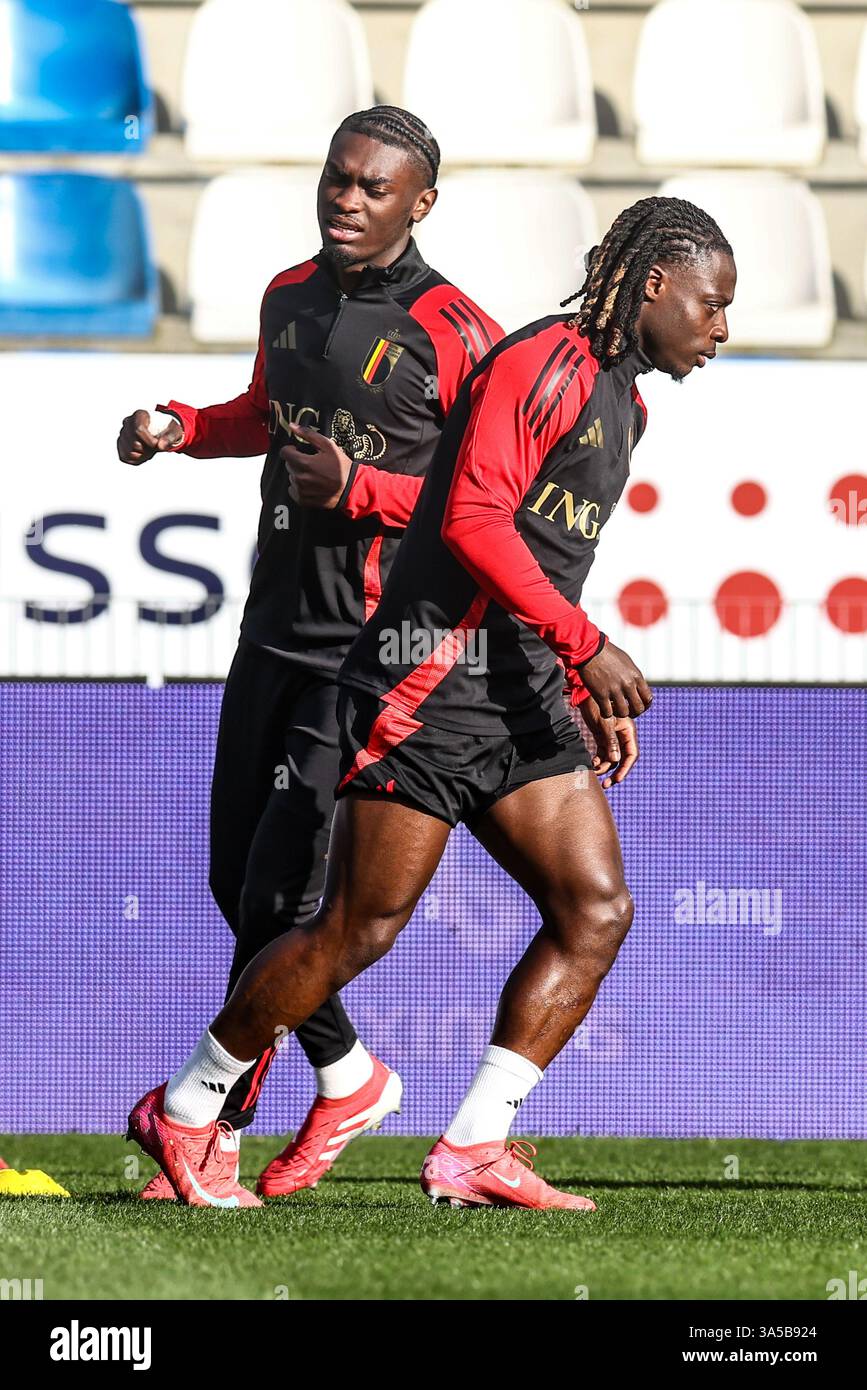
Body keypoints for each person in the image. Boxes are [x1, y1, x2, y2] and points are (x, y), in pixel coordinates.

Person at [128, 196, 735, 1209]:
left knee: (595, 907)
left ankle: (474, 1148)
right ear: (656, 285)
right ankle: (188, 1110)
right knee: (355, 929)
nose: (721, 328)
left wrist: (571, 672)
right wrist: (587, 648)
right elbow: (471, 521)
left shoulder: (626, 403)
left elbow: (545, 552)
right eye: (712, 305)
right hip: (427, 682)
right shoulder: (539, 364)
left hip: (520, 689)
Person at [117, 106, 502, 1200]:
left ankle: (213, 1128)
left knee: (288, 899)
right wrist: (183, 427)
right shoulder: (287, 295)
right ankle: (350, 1072)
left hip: (369, 652)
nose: (348, 197)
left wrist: (364, 490)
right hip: (270, 628)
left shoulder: (455, 329)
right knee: (237, 886)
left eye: (375, 186)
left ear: (420, 202)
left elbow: (488, 498)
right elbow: (261, 411)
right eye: (338, 178)